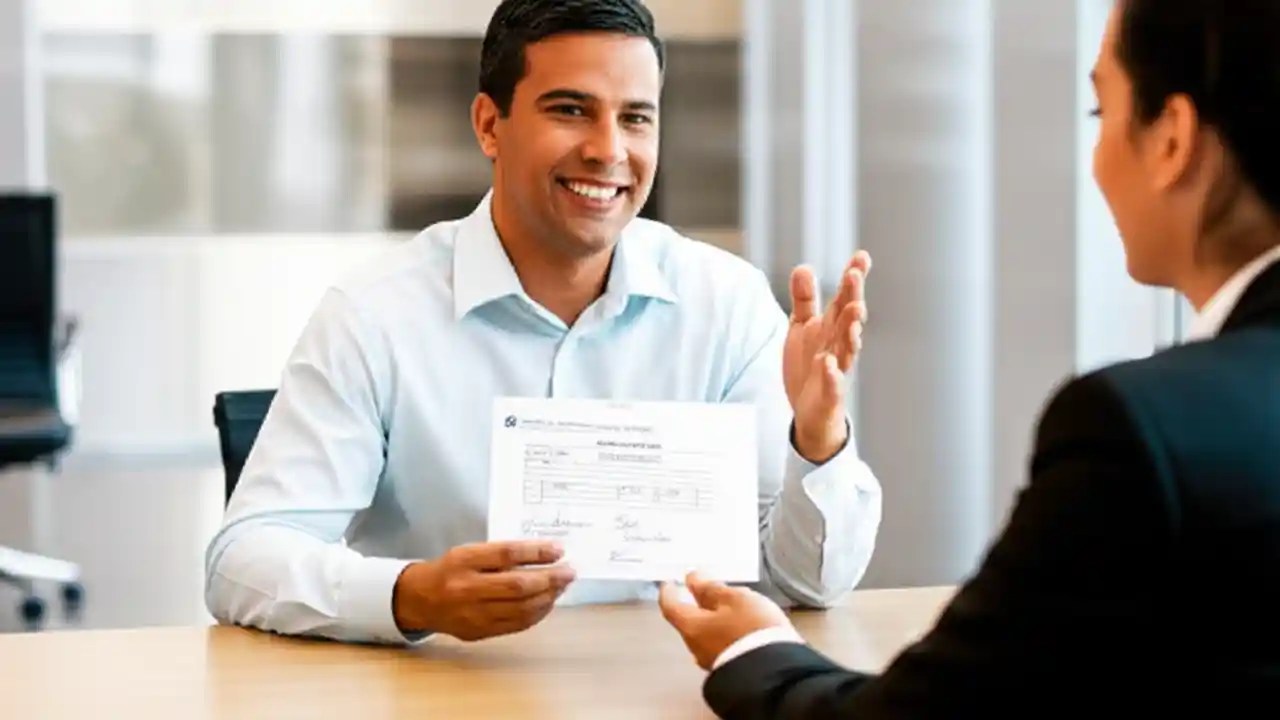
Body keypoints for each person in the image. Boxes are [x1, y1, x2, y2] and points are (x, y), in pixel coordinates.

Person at [659, 0, 1280, 715]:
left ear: (1171, 140)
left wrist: (754, 653)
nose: (1097, 157)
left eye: (1098, 113)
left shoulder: (1143, 429)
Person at [205, 0, 882, 646]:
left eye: (636, 118)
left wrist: (818, 441)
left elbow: (803, 585)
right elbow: (243, 561)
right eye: (570, 111)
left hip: (661, 695)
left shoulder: (726, 304)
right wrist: (412, 595)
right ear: (489, 125)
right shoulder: (375, 314)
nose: (607, 150)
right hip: (444, 697)